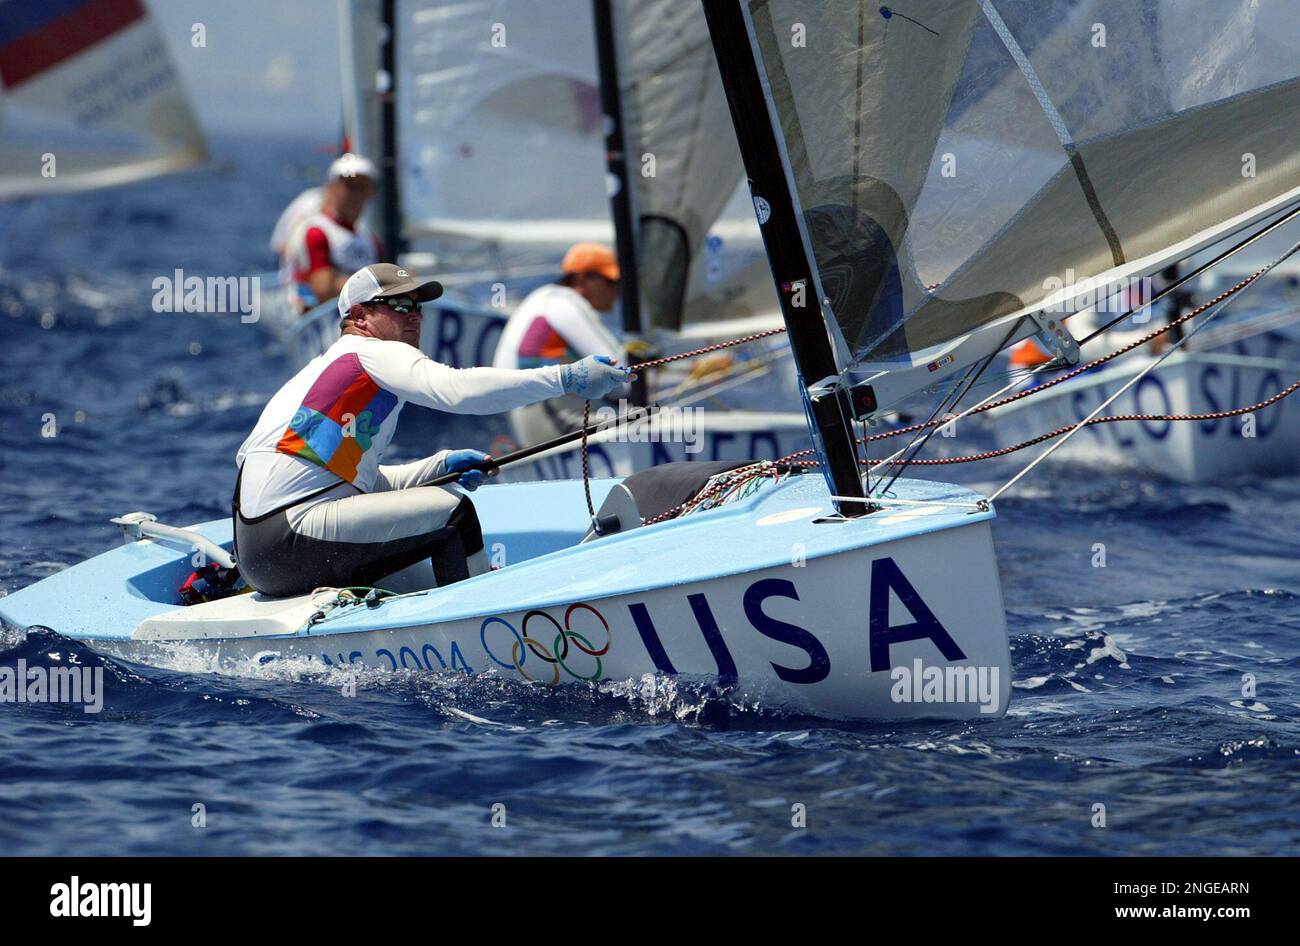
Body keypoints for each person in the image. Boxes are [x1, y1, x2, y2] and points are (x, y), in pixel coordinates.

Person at [233, 263, 632, 598]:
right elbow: (456, 390)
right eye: (399, 304)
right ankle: (488, 615)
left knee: (423, 581)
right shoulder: (370, 353)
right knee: (453, 513)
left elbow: (349, 484)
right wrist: (565, 377)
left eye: (418, 306)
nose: (415, 315)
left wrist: (438, 466)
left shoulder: (328, 374)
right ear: (358, 317)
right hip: (290, 540)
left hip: (262, 555)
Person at [493, 242, 629, 443]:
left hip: (532, 418)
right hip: (550, 416)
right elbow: (622, 377)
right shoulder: (563, 303)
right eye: (610, 282)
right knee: (650, 421)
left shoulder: (543, 299)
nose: (615, 291)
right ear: (582, 279)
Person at [283, 153, 383, 314]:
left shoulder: (371, 240)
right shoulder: (317, 231)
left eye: (362, 187)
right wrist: (378, 284)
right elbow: (323, 289)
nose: (355, 194)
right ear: (332, 188)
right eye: (349, 186)